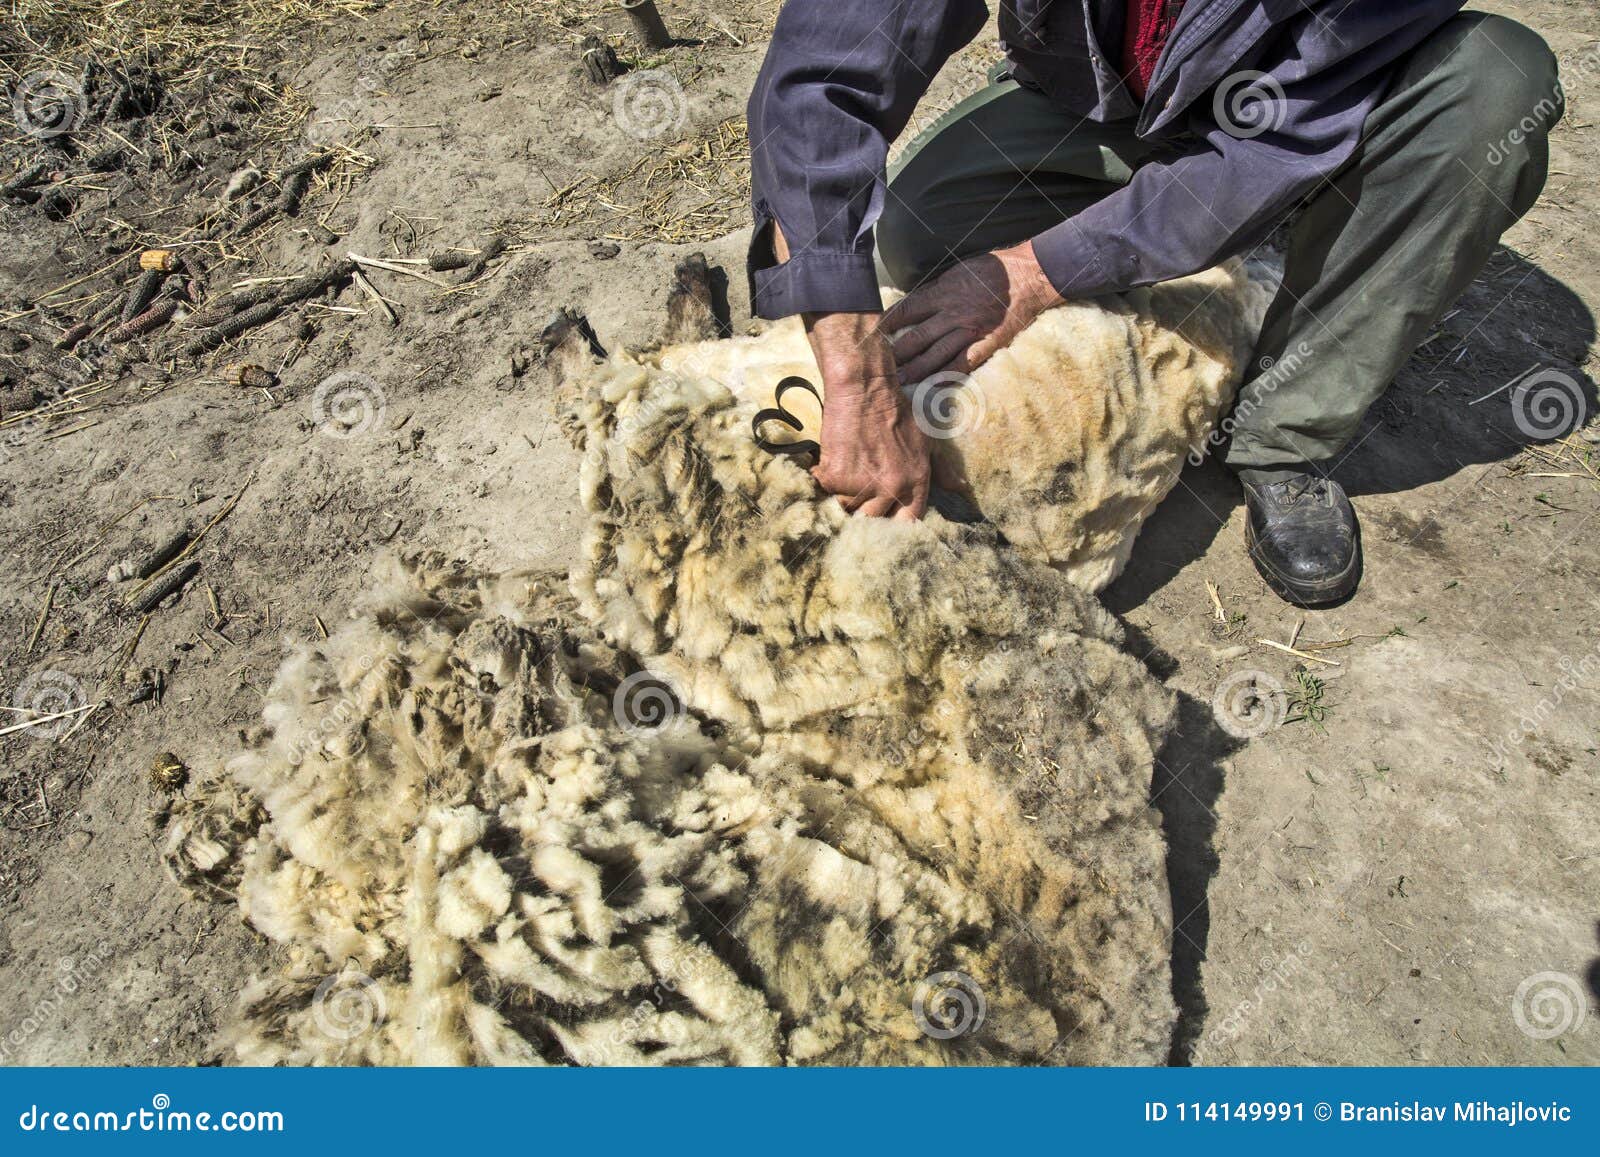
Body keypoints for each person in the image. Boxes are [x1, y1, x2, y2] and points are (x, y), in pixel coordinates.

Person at [745, 1, 1562, 605]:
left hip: (1309, 114)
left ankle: (1285, 430)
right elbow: (827, 74)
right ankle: (1180, 233)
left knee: (1497, 83)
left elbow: (1268, 149)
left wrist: (1033, 274)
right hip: (1116, 97)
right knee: (916, 235)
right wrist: (855, 373)